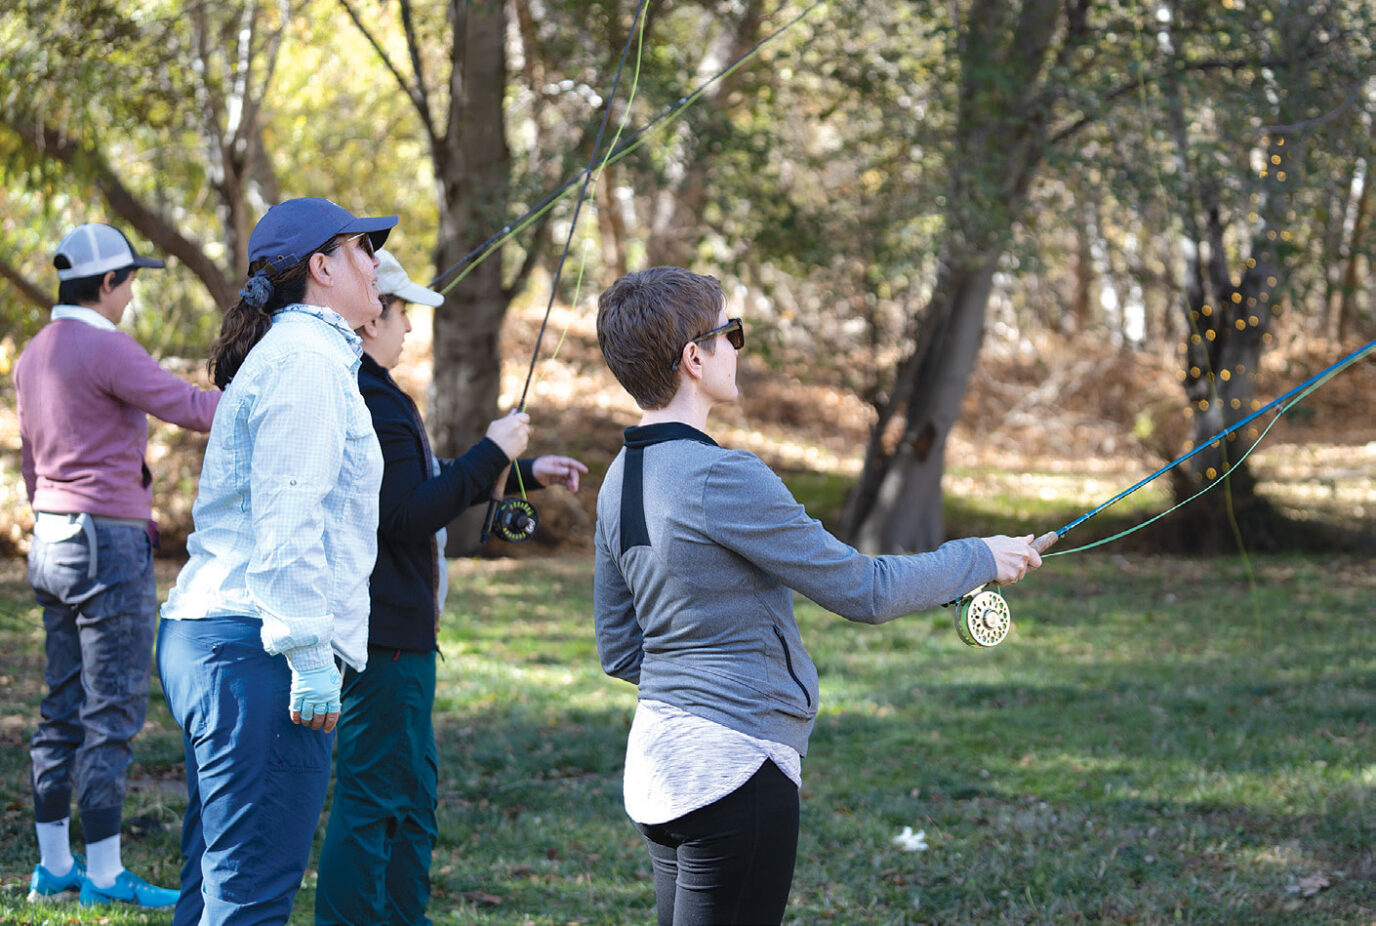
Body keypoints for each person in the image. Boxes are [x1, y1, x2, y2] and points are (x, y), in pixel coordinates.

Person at [592, 266, 1043, 925]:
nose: (738, 347)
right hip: (732, 770)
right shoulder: (722, 476)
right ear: (694, 357)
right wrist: (978, 557)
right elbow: (863, 591)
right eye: (731, 333)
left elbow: (618, 646)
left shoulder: (620, 475)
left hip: (658, 763)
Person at [315, 248, 587, 925]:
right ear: (371, 315)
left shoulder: (378, 394)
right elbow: (405, 514)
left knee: (411, 798)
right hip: (385, 640)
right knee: (374, 800)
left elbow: (424, 484)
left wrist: (521, 476)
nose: (408, 328)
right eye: (402, 312)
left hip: (405, 636)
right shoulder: (370, 399)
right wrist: (494, 450)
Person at [156, 197, 397, 924]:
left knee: (218, 884)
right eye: (363, 248)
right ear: (322, 267)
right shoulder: (305, 364)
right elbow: (290, 517)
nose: (377, 261)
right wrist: (306, 653)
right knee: (249, 897)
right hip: (257, 651)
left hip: (225, 641)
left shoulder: (306, 356)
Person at [15, 222, 220, 910]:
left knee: (60, 706)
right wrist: (262, 395)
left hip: (51, 537)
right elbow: (191, 408)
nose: (132, 295)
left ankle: (53, 868)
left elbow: (28, 461)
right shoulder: (104, 347)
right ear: (107, 284)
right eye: (130, 281)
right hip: (106, 542)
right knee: (113, 709)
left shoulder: (35, 352)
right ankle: (103, 875)